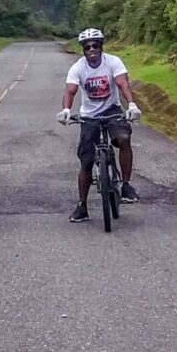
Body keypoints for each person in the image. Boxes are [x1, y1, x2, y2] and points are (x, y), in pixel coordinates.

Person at [57, 27, 142, 223]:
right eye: (87, 47)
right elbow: (70, 91)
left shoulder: (113, 62)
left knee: (124, 138)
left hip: (112, 110)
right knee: (86, 161)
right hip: (89, 116)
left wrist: (132, 104)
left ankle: (126, 186)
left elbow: (122, 83)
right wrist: (66, 110)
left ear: (101, 46)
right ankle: (82, 206)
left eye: (95, 45)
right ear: (83, 50)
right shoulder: (78, 67)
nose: (91, 50)